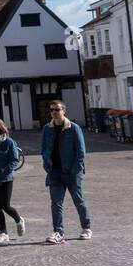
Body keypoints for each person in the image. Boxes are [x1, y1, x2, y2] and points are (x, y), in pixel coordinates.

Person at [41, 101, 91, 244]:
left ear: (64, 111)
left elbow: (81, 151)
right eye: (51, 110)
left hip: (72, 172)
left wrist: (75, 169)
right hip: (54, 172)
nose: (54, 112)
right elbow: (44, 148)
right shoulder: (47, 129)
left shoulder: (74, 128)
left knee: (78, 200)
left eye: (57, 109)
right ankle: (58, 232)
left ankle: (86, 227)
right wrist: (47, 165)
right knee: (56, 202)